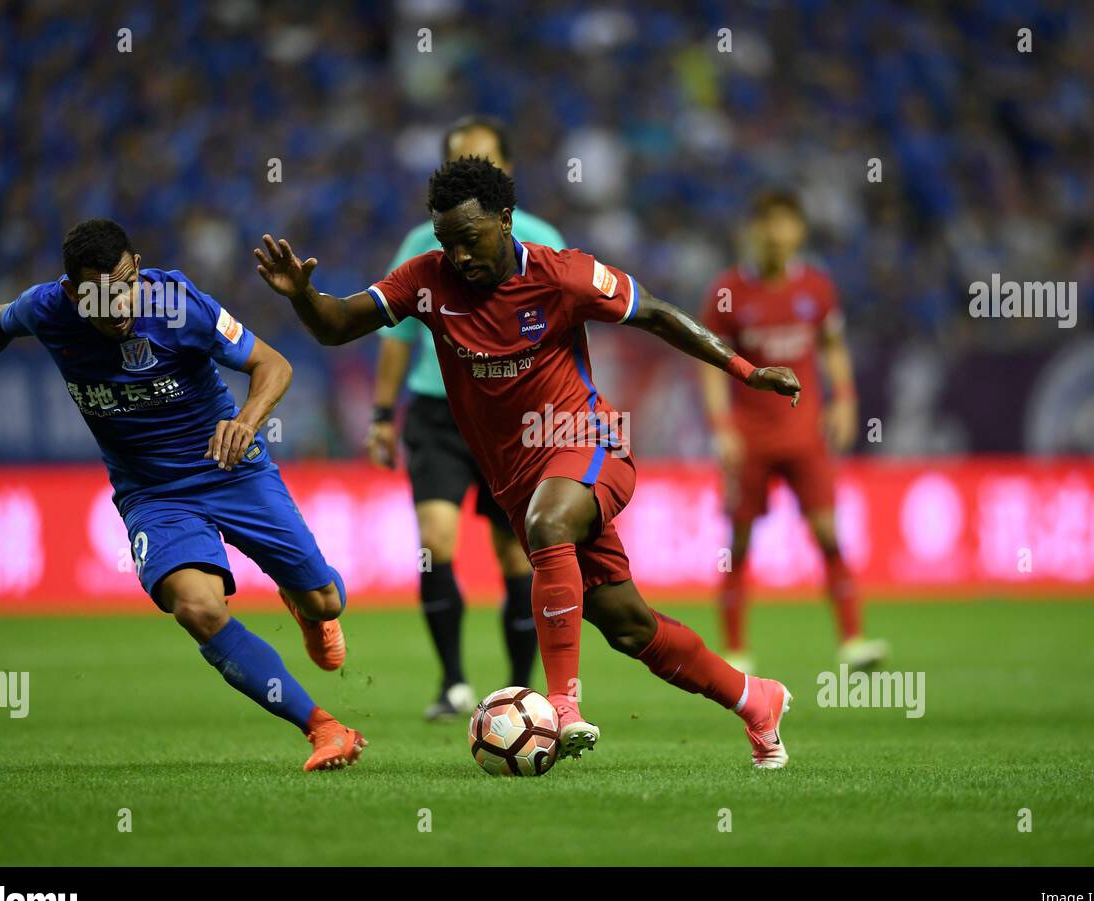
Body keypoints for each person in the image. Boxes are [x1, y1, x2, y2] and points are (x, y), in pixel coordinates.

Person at [256, 159, 802, 769]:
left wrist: (748, 372)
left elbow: (659, 313)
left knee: (547, 525)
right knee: (626, 625)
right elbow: (335, 326)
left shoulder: (563, 274)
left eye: (470, 239)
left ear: (505, 220)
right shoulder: (426, 280)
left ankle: (563, 706)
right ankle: (755, 700)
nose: (459, 256)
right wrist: (304, 297)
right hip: (519, 478)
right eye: (446, 242)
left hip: (589, 441)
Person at [0, 219, 365, 772]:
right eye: (101, 296)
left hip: (230, 467)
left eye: (127, 284)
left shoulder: (179, 304)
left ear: (138, 268)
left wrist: (248, 421)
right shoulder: (48, 309)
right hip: (153, 495)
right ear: (72, 293)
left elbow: (272, 364)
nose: (119, 304)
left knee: (327, 600)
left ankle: (307, 607)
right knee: (196, 608)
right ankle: (323, 728)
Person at [368, 116, 563, 719]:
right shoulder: (421, 245)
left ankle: (518, 692)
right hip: (437, 409)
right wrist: (382, 413)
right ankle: (452, 683)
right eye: (455, 160)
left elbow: (562, 332)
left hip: (512, 414)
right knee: (436, 540)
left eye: (479, 159)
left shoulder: (539, 239)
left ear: (505, 170)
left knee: (514, 557)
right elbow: (396, 335)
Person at [700, 191, 888, 673]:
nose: (776, 234)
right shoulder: (728, 292)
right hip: (750, 435)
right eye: (767, 224)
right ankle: (736, 651)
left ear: (799, 231)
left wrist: (845, 399)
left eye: (785, 224)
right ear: (754, 230)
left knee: (827, 532)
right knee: (739, 539)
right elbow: (712, 366)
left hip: (804, 432)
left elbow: (832, 346)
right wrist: (722, 427)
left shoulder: (818, 289)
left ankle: (853, 641)